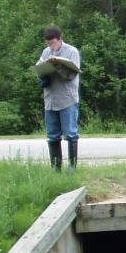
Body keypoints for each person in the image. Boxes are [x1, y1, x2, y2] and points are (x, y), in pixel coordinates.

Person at [36, 26, 81, 171]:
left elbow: (72, 75)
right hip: (50, 99)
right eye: (48, 44)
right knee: (52, 135)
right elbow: (39, 67)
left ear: (60, 39)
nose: (51, 46)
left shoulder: (72, 51)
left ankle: (72, 167)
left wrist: (57, 65)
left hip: (67, 98)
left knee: (70, 133)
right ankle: (56, 168)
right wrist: (44, 68)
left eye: (53, 43)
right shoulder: (46, 52)